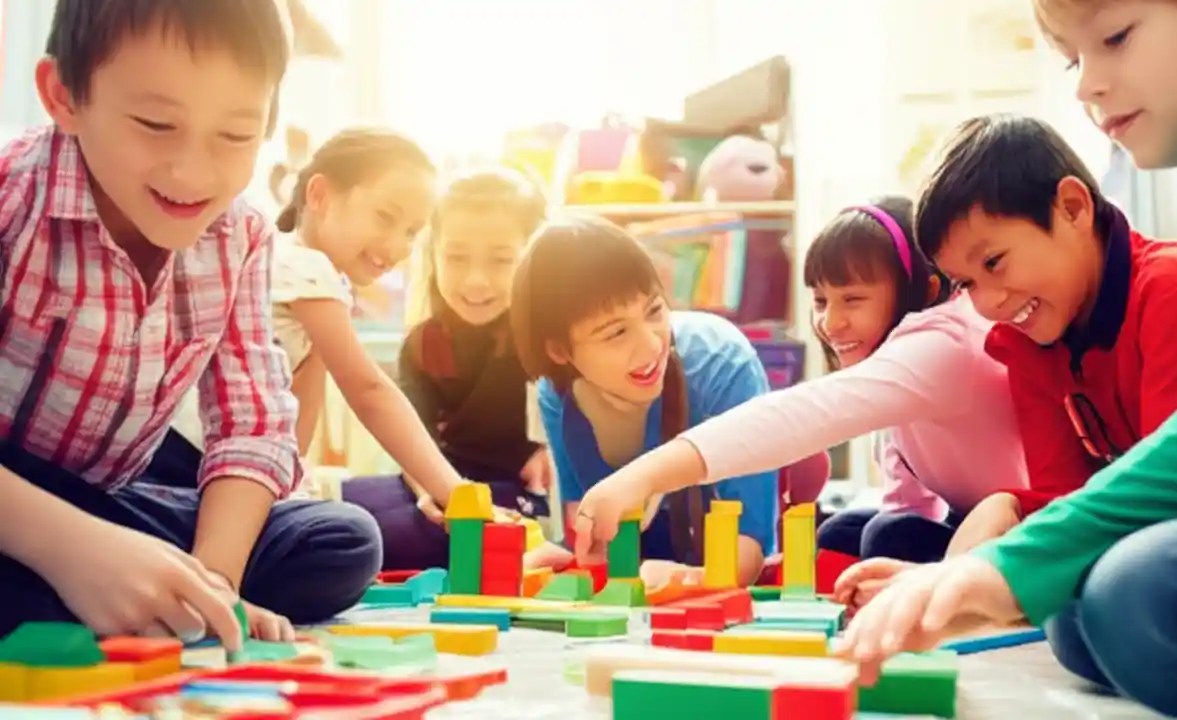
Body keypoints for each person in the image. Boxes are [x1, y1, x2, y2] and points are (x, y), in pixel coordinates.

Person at [837, 3, 1177, 717]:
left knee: (1135, 588)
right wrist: (979, 569)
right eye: (1075, 61)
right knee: (1077, 615)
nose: (1086, 87)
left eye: (1117, 38)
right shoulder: (1029, 340)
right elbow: (1061, 493)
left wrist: (1002, 568)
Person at [0, 0, 383, 646]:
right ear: (63, 95)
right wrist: (73, 552)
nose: (193, 173)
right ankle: (83, 588)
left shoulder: (239, 236)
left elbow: (251, 426)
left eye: (235, 135)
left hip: (112, 503)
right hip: (18, 504)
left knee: (341, 540)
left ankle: (127, 598)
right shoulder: (13, 202)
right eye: (155, 124)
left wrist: (213, 589)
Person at [834, 115, 1177, 607]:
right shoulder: (1029, 341)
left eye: (993, 263)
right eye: (966, 283)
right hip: (1147, 537)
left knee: (1110, 597)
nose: (989, 303)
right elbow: (1061, 496)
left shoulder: (1175, 291)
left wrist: (986, 578)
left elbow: (1174, 497)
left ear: (1073, 208)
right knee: (1012, 520)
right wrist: (950, 578)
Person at [565, 197, 1031, 572]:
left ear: (924, 291)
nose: (831, 322)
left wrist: (641, 477)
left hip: (1021, 523)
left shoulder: (940, 346)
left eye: (853, 299)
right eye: (821, 300)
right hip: (966, 521)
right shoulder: (898, 372)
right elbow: (909, 503)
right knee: (842, 535)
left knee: (886, 539)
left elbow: (802, 415)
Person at [512, 216, 778, 585]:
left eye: (654, 311)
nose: (653, 344)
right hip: (649, 560)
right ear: (560, 351)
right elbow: (587, 528)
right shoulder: (558, 393)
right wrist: (572, 565)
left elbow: (751, 547)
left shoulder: (721, 365)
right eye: (616, 332)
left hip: (715, 556)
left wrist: (691, 580)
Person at [343, 167, 551, 570]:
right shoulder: (423, 345)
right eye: (457, 258)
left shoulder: (546, 337)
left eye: (501, 260)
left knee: (409, 537)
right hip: (443, 482)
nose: (476, 281)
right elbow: (413, 442)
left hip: (518, 494)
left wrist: (550, 451)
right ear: (434, 254)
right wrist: (430, 489)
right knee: (344, 511)